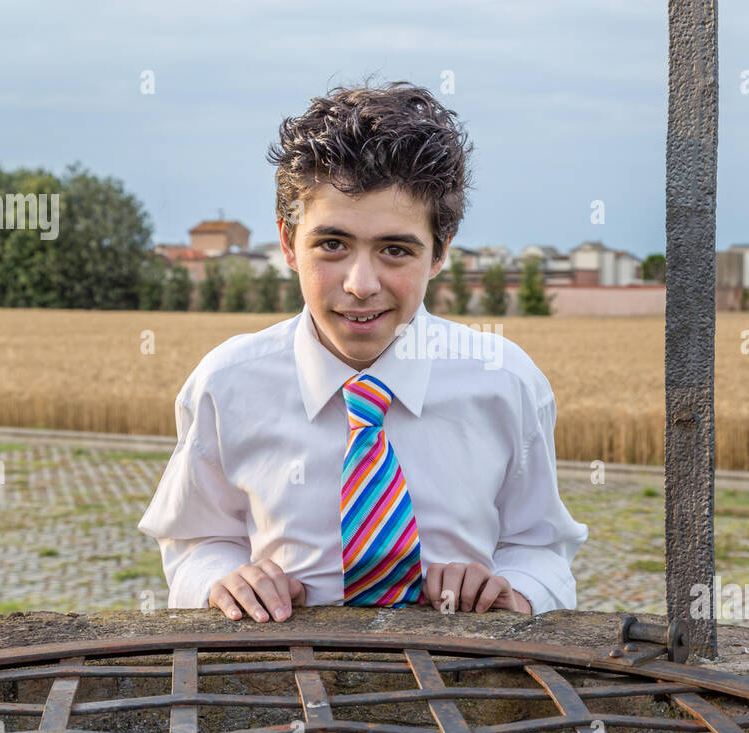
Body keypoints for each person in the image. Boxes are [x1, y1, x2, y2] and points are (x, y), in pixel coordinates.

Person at [137, 78, 588, 623]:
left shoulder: (505, 381)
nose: (360, 284)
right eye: (332, 244)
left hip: (464, 686)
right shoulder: (227, 383)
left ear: (440, 252)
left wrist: (511, 591)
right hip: (280, 686)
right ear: (287, 242)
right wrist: (221, 579)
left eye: (395, 250)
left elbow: (540, 547)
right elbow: (196, 538)